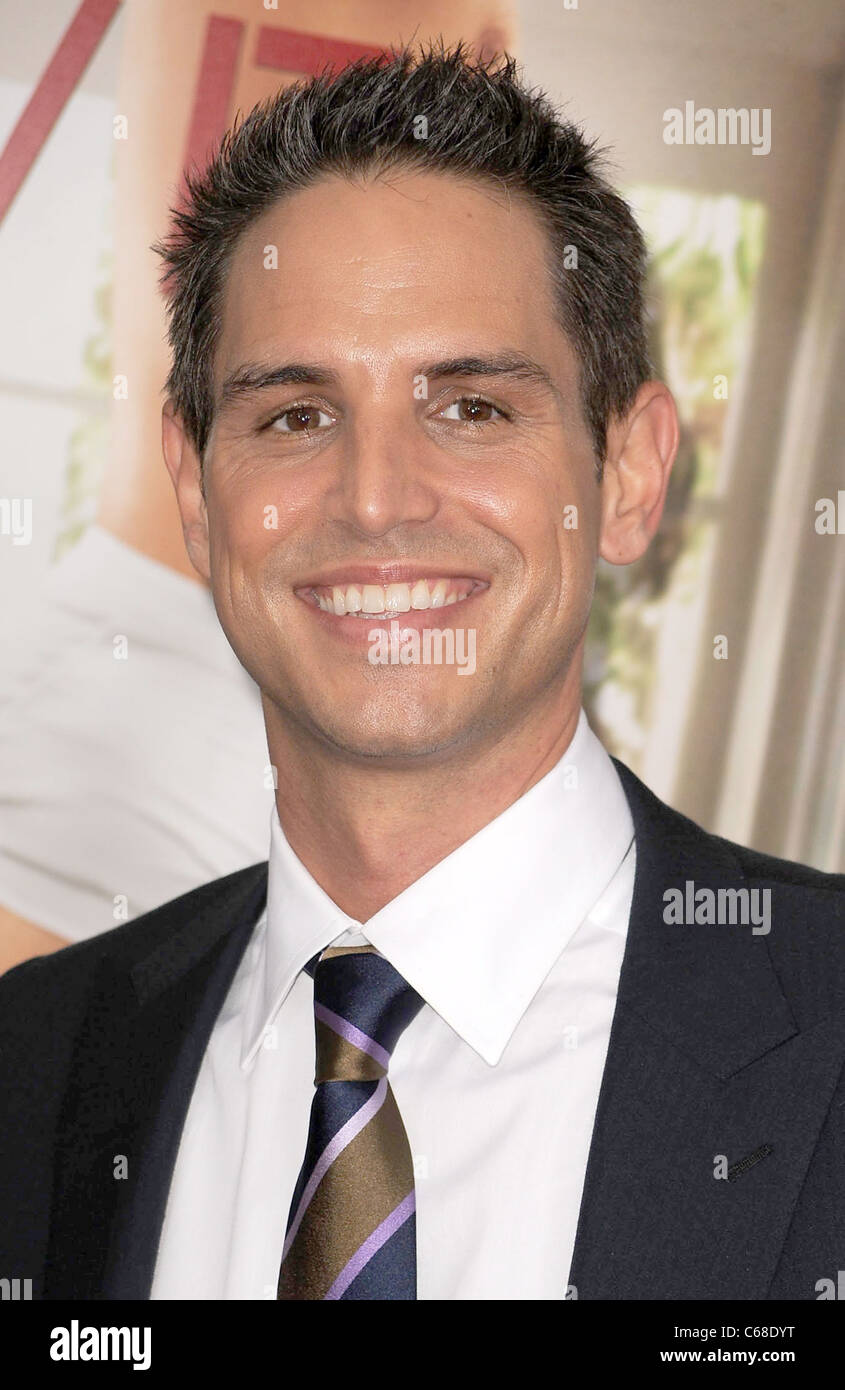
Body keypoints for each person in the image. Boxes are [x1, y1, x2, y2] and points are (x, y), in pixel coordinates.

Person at [0, 41, 842, 1302]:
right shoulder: (35, 1056)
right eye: (294, 414)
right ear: (195, 487)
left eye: (472, 408)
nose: (377, 499)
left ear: (626, 473)